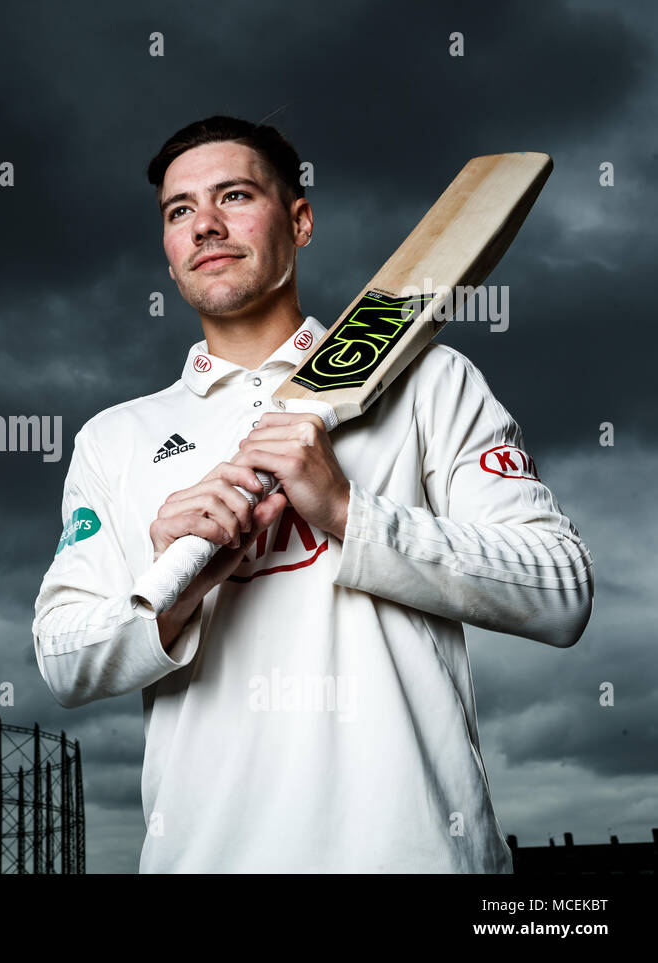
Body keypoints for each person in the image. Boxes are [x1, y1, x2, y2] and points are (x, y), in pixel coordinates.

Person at [31, 115, 594, 873]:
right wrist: (175, 590)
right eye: (179, 211)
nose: (205, 225)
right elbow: (62, 660)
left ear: (299, 221)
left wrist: (350, 514)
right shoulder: (117, 437)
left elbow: (560, 589)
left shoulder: (430, 381)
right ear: (167, 256)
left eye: (234, 195)